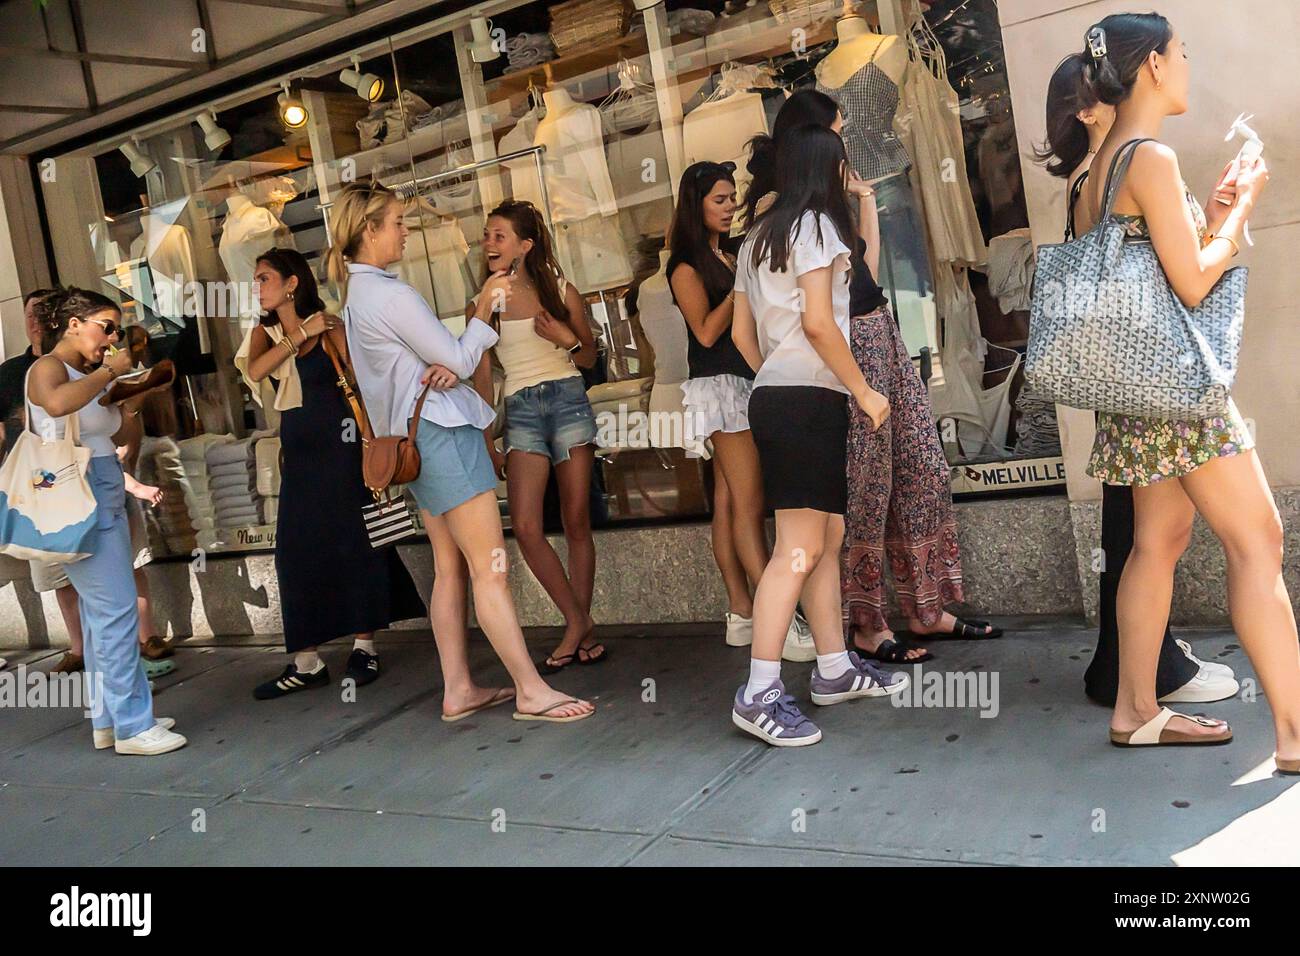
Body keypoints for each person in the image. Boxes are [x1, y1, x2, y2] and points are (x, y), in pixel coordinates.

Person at [1069, 14, 1296, 768]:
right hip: (1179, 392)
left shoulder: (1097, 169)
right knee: (1259, 540)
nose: (1188, 65)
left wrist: (1219, 216)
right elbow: (1194, 283)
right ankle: (1297, 733)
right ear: (1155, 66)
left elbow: (1152, 273)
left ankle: (1136, 710)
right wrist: (1243, 213)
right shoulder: (1152, 159)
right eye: (1183, 53)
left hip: (1133, 394)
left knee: (1156, 542)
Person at [327, 181, 593, 724]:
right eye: (398, 222)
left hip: (412, 442)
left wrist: (452, 357)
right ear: (369, 230)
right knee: (489, 568)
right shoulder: (389, 294)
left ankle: (460, 688)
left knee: (451, 569)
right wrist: (484, 312)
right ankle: (530, 689)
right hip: (442, 437)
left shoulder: (358, 297)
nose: (405, 231)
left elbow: (432, 364)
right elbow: (457, 355)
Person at [747, 91, 997, 665]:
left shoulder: (820, 209)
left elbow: (864, 268)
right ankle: (860, 626)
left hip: (873, 334)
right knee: (859, 495)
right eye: (837, 136)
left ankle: (922, 607)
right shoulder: (790, 217)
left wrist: (864, 202)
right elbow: (809, 320)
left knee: (919, 470)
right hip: (842, 354)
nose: (847, 150)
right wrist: (843, 381)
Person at [1037, 49, 1237, 706]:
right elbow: (1181, 279)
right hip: (1154, 372)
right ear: (1088, 110)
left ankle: (1127, 669)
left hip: (1125, 373)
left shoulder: (1086, 179)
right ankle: (1145, 677)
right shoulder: (1123, 166)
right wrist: (1231, 227)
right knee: (1177, 535)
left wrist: (1204, 219)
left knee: (1139, 525)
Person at [729, 125, 906, 747]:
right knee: (799, 550)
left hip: (781, 395)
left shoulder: (757, 238)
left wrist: (779, 378)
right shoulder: (817, 229)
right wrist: (863, 390)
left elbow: (742, 337)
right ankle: (759, 692)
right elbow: (821, 323)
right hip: (810, 398)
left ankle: (833, 668)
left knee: (824, 537)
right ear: (825, 170)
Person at [236, 247, 427, 699]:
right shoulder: (265, 333)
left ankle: (365, 646)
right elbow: (257, 370)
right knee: (293, 553)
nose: (257, 286)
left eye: (264, 277)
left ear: (291, 283)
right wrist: (298, 334)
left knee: (356, 545)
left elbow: (362, 380)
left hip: (342, 454)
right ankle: (306, 661)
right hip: (299, 461)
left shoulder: (331, 326)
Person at [26, 288, 185, 755]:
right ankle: (134, 726)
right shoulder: (49, 368)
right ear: (73, 323)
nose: (113, 338)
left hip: (103, 482)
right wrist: (108, 373)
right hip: (75, 490)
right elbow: (55, 405)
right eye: (106, 326)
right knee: (115, 611)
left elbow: (116, 432)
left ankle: (109, 718)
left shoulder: (86, 374)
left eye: (117, 328)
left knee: (102, 617)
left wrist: (133, 398)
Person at [668, 160, 814, 662]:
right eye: (720, 200)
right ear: (697, 205)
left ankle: (741, 611)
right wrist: (738, 287)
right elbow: (705, 332)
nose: (730, 209)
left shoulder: (727, 251)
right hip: (720, 387)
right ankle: (781, 618)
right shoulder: (685, 265)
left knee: (730, 503)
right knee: (750, 506)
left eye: (732, 199)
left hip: (745, 380)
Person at [467, 200, 606, 673]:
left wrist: (564, 337)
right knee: (525, 526)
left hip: (568, 399)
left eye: (499, 235)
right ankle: (578, 622)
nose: (489, 242)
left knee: (576, 520)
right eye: (487, 234)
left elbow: (589, 358)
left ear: (525, 245)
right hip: (523, 410)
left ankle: (578, 629)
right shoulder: (484, 304)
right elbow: (481, 378)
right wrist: (487, 440)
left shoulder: (561, 290)